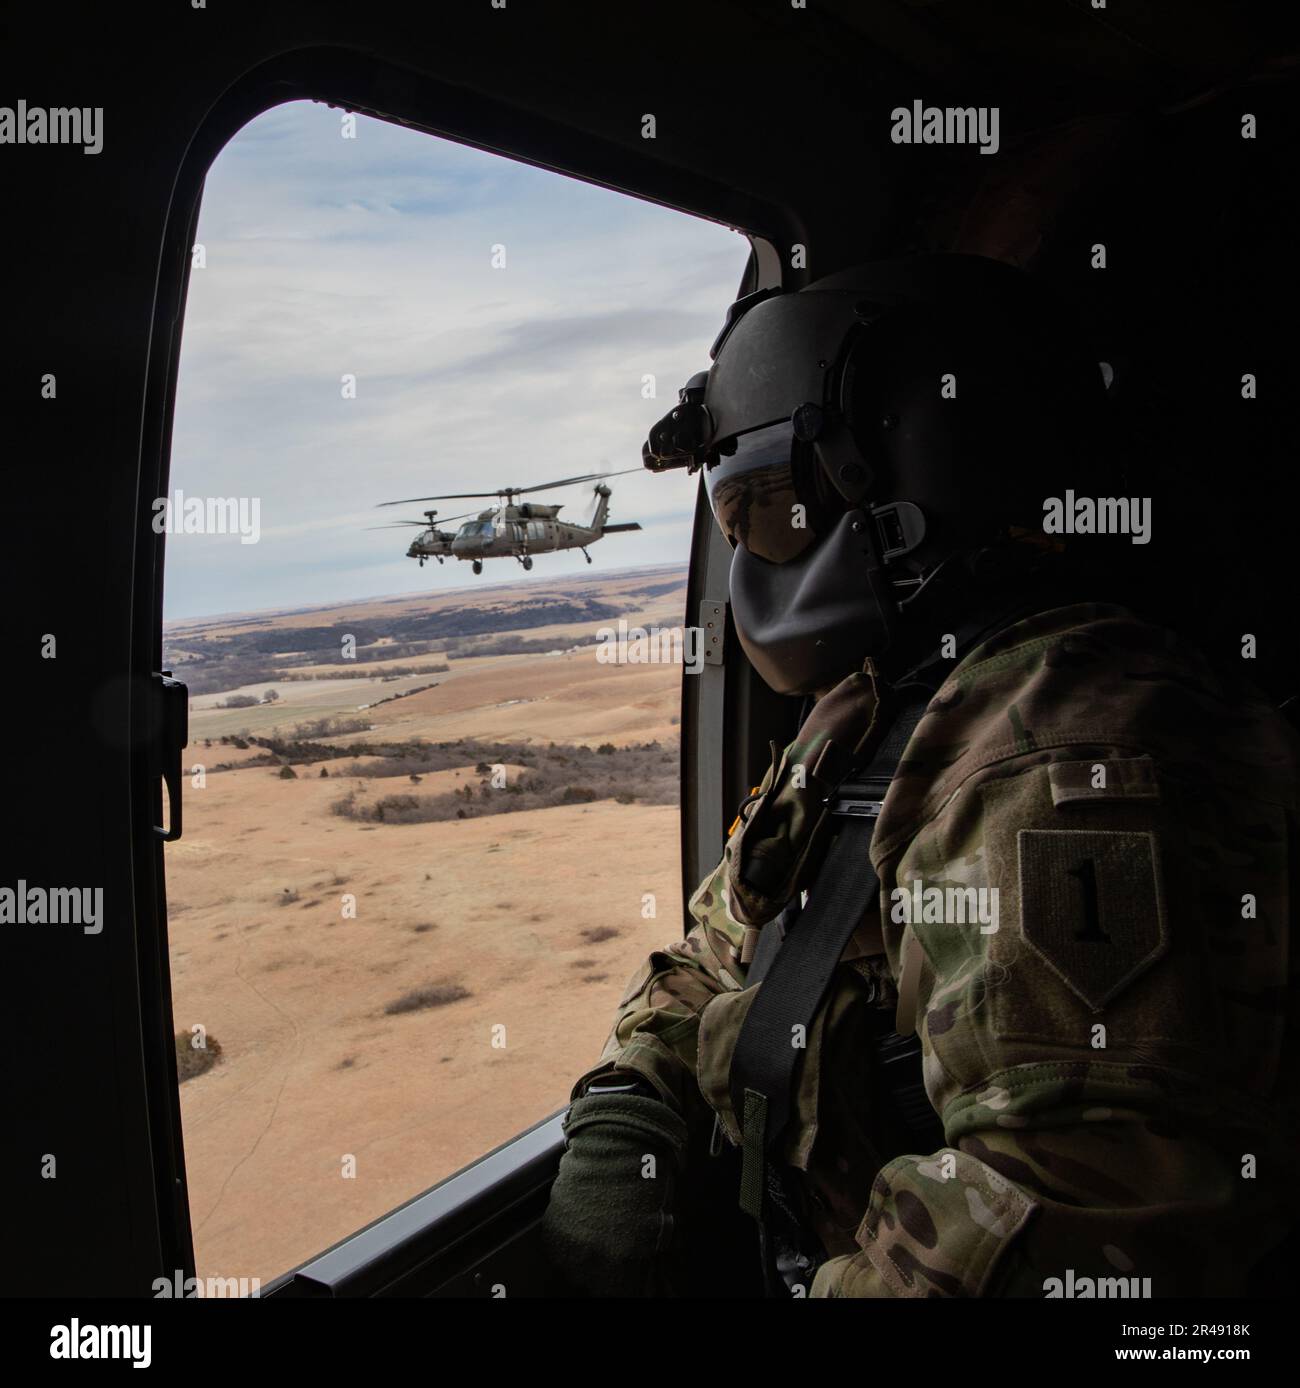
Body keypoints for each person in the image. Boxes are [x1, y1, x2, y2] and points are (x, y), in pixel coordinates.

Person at [540, 254, 1299, 1298]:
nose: (748, 556)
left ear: (911, 479)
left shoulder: (1070, 760)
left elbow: (1065, 1228)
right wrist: (635, 1096)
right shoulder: (868, 714)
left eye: (766, 511)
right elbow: (724, 942)